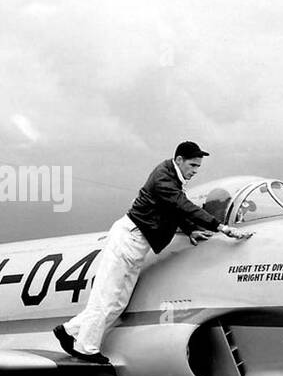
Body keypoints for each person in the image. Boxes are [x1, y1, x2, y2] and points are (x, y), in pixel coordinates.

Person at [54, 141, 251, 364]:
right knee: (106, 298)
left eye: (198, 167)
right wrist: (220, 227)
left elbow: (173, 210)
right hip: (127, 239)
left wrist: (191, 230)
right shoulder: (163, 178)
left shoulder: (174, 178)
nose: (195, 171)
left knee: (118, 304)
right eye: (193, 165)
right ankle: (86, 348)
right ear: (179, 160)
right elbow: (181, 205)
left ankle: (69, 330)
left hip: (137, 244)